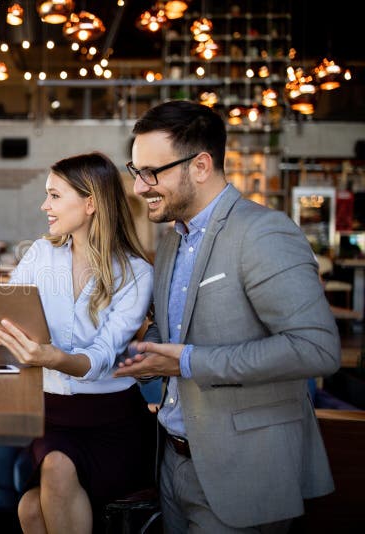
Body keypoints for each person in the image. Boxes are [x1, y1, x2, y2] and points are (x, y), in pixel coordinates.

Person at [115, 100, 341, 532]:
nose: (140, 186)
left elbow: (316, 349)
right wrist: (133, 353)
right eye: (136, 170)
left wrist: (184, 361)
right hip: (172, 464)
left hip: (243, 472)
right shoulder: (170, 241)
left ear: (200, 165)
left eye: (151, 172)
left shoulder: (263, 232)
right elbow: (173, 330)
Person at [0, 152, 156, 534]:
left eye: (54, 195)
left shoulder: (136, 273)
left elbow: (101, 357)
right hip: (51, 415)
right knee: (37, 497)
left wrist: (52, 357)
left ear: (91, 202)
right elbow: (6, 310)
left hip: (112, 419)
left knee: (37, 504)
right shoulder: (40, 254)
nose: (44, 205)